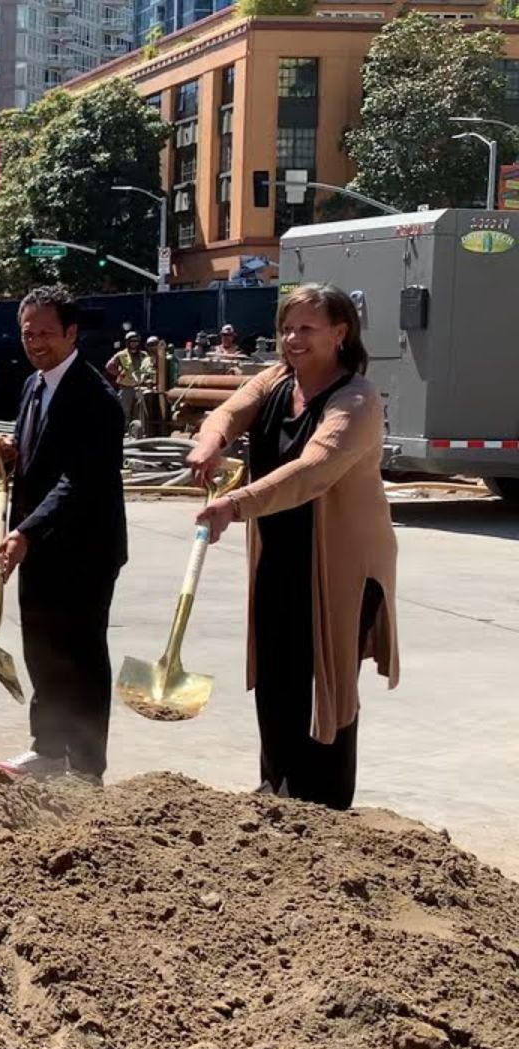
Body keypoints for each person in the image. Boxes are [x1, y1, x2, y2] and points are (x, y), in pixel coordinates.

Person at [187, 284, 397, 810]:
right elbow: (229, 411)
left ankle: (324, 804)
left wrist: (235, 504)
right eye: (286, 328)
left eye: (306, 328)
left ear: (340, 333)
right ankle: (276, 789)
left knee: (326, 681)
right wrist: (210, 442)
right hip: (280, 551)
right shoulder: (277, 379)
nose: (292, 339)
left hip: (341, 564)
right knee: (277, 672)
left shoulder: (356, 400)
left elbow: (313, 470)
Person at [0, 286, 127, 783]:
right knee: (42, 648)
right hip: (38, 543)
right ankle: (48, 749)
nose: (36, 342)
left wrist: (26, 531)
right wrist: (12, 454)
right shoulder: (34, 385)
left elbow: (80, 481)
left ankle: (87, 767)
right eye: (28, 333)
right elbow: (43, 459)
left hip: (85, 548)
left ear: (71, 333)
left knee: (81, 654)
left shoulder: (96, 398)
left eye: (46, 332)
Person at [107, 331, 155, 434]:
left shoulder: (143, 355)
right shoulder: (121, 355)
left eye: (136, 341)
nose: (134, 343)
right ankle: (123, 431)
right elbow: (109, 366)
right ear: (127, 342)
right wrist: (119, 373)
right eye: (132, 341)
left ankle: (138, 431)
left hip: (140, 387)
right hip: (126, 387)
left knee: (140, 410)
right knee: (125, 410)